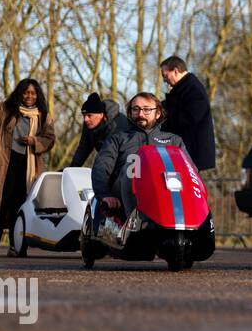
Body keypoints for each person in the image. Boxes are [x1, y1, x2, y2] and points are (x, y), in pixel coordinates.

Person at [0, 79, 57, 256]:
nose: (29, 96)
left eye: (33, 93)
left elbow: (50, 139)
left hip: (28, 167)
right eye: (26, 92)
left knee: (20, 206)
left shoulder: (43, 115)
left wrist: (34, 141)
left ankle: (16, 246)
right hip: (2, 165)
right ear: (20, 93)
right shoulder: (2, 109)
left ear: (38, 95)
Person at [91, 93, 189, 221]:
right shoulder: (117, 139)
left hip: (167, 205)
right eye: (135, 109)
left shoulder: (174, 141)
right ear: (130, 113)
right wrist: (105, 195)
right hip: (124, 208)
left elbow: (190, 173)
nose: (141, 114)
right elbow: (101, 168)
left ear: (158, 113)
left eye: (147, 109)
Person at [160, 56, 216, 172]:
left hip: (191, 152)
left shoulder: (193, 89)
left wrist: (166, 115)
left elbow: (191, 118)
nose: (164, 80)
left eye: (165, 75)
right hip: (184, 151)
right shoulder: (185, 88)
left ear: (175, 71)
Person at [68, 92, 128, 167]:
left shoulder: (118, 124)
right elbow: (83, 148)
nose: (86, 119)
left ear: (101, 114)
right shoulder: (89, 124)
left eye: (89, 115)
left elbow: (110, 155)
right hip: (108, 163)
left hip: (126, 164)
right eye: (84, 116)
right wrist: (71, 170)